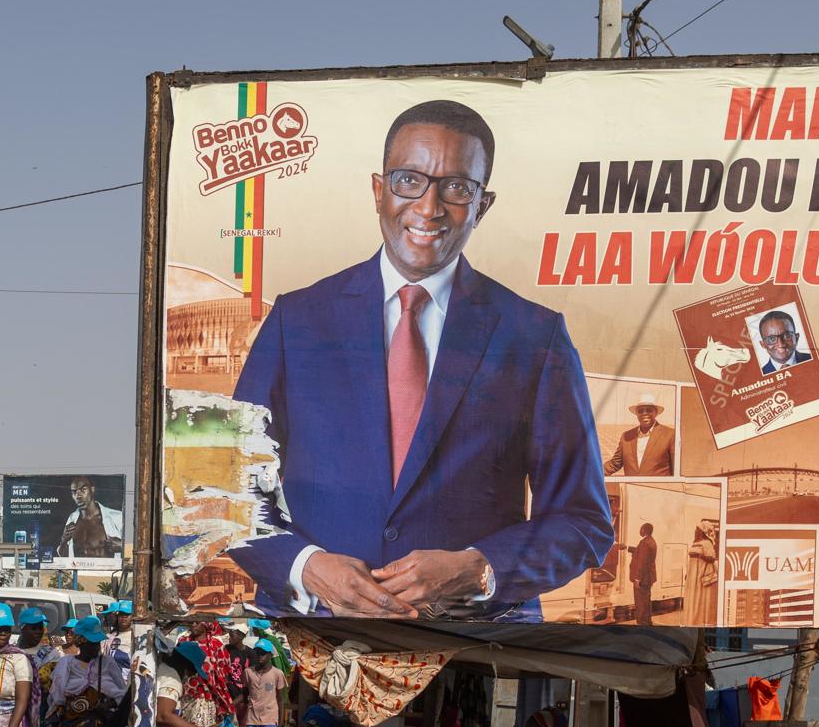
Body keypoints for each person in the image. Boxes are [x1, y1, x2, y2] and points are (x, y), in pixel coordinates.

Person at [230, 98, 613, 620]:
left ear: (484, 204)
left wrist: (480, 570)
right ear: (378, 190)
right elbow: (229, 489)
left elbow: (580, 520)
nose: (429, 207)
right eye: (409, 180)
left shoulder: (534, 337)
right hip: (310, 640)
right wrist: (307, 567)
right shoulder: (296, 321)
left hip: (477, 645)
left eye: (457, 188)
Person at [173, 620, 239, 727]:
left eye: (198, 622)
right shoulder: (183, 641)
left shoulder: (216, 645)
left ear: (207, 625)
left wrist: (221, 700)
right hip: (184, 696)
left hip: (207, 697)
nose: (193, 625)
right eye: (193, 621)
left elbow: (225, 673)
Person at [240, 638, 289, 727]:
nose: (260, 655)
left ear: (270, 655)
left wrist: (281, 721)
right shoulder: (248, 672)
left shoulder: (277, 674)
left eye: (263, 652)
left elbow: (280, 698)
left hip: (270, 720)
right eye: (258, 652)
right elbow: (245, 694)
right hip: (252, 720)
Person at [604, 390, 675, 477]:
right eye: (640, 411)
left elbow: (675, 469)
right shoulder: (626, 436)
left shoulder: (670, 435)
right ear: (636, 414)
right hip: (631, 489)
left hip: (659, 489)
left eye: (649, 410)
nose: (644, 413)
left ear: (656, 412)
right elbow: (615, 464)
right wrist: (591, 474)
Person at [58, 477, 124, 561]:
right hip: (78, 573)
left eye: (83, 489)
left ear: (92, 489)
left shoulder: (117, 517)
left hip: (106, 573)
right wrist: (63, 541)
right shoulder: (72, 518)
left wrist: (122, 546)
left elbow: (137, 549)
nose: (78, 495)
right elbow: (64, 558)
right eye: (74, 492)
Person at [631, 522, 658, 627]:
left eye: (641, 529)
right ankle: (647, 621)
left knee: (641, 602)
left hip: (642, 579)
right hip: (648, 578)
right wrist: (627, 548)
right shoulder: (651, 541)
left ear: (644, 530)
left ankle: (642, 623)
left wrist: (637, 578)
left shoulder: (644, 543)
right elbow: (641, 553)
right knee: (646, 601)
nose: (639, 530)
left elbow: (642, 562)